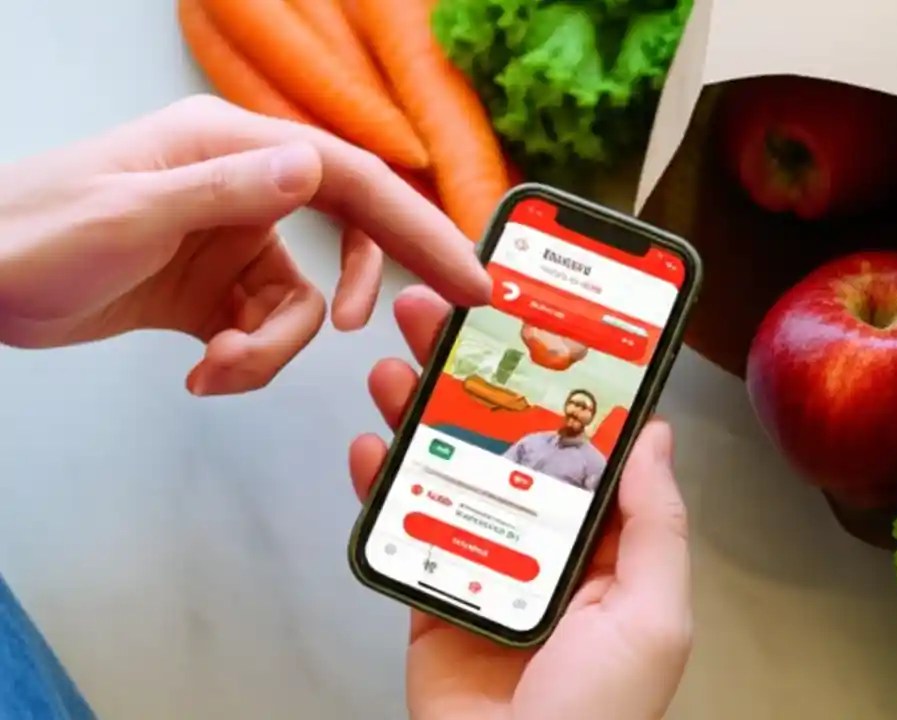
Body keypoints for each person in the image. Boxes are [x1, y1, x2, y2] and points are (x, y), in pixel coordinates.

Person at [0, 95, 693, 720]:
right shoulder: (530, 440)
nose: (572, 412)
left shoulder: (599, 461)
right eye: (569, 402)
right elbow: (501, 461)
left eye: (581, 404)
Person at [503, 388, 608, 491]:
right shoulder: (532, 441)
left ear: (591, 418)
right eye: (573, 404)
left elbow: (592, 500)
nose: (576, 411)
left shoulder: (595, 462)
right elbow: (501, 467)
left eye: (584, 407)